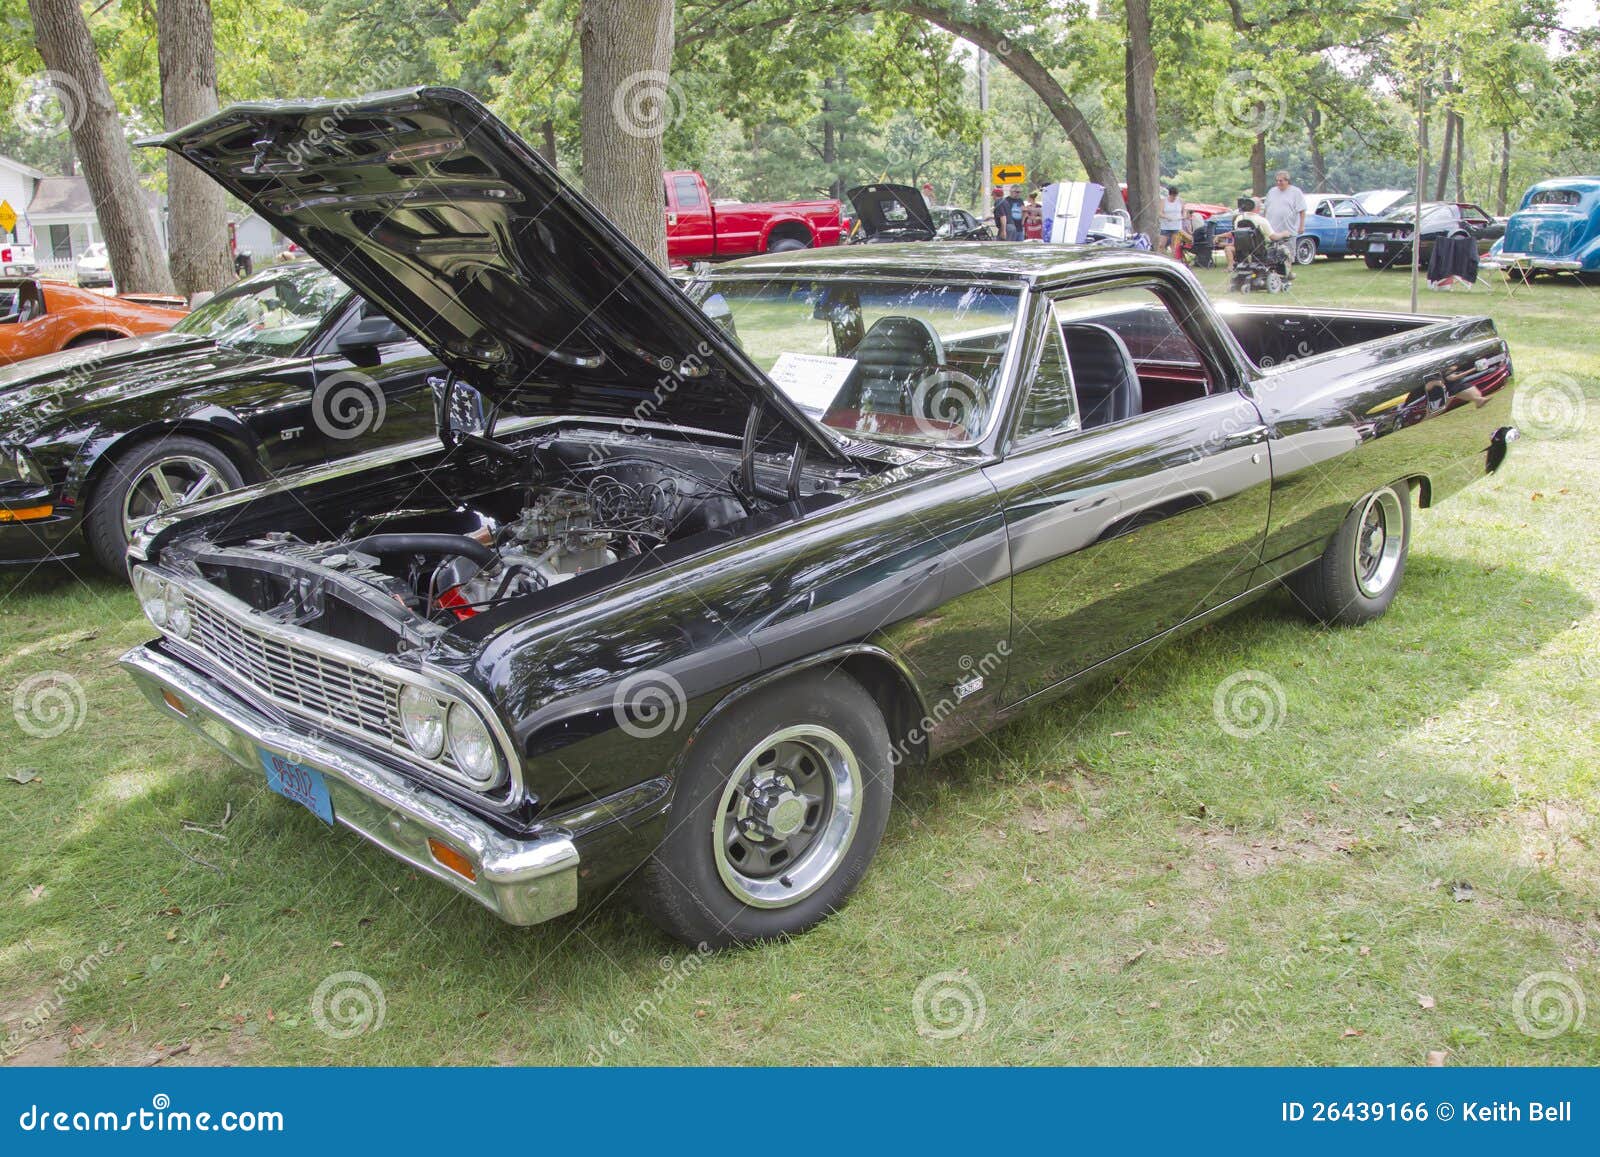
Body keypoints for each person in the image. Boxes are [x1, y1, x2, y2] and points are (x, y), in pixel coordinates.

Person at [1223, 196, 1276, 270]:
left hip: (1242, 250)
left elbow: (1236, 235)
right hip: (1260, 251)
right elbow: (1273, 237)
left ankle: (1231, 267)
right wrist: (1284, 234)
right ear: (1258, 207)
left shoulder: (1239, 219)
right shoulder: (1262, 220)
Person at [1263, 170, 1307, 249]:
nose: (1278, 183)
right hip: (1272, 232)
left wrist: (1301, 226)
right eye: (1277, 181)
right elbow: (1266, 208)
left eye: (1281, 181)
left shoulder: (1296, 192)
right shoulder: (1272, 191)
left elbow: (1302, 210)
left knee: (1287, 253)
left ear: (1287, 181)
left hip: (1288, 231)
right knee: (1271, 253)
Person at [1157, 185, 1185, 257]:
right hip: (1165, 226)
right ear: (1169, 194)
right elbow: (1160, 213)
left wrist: (1182, 217)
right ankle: (1159, 258)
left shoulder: (1180, 201)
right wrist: (1167, 217)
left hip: (1176, 226)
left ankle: (1174, 259)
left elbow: (1184, 212)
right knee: (1161, 245)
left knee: (1174, 246)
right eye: (1172, 196)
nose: (1174, 198)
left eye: (1175, 196)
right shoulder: (1163, 201)